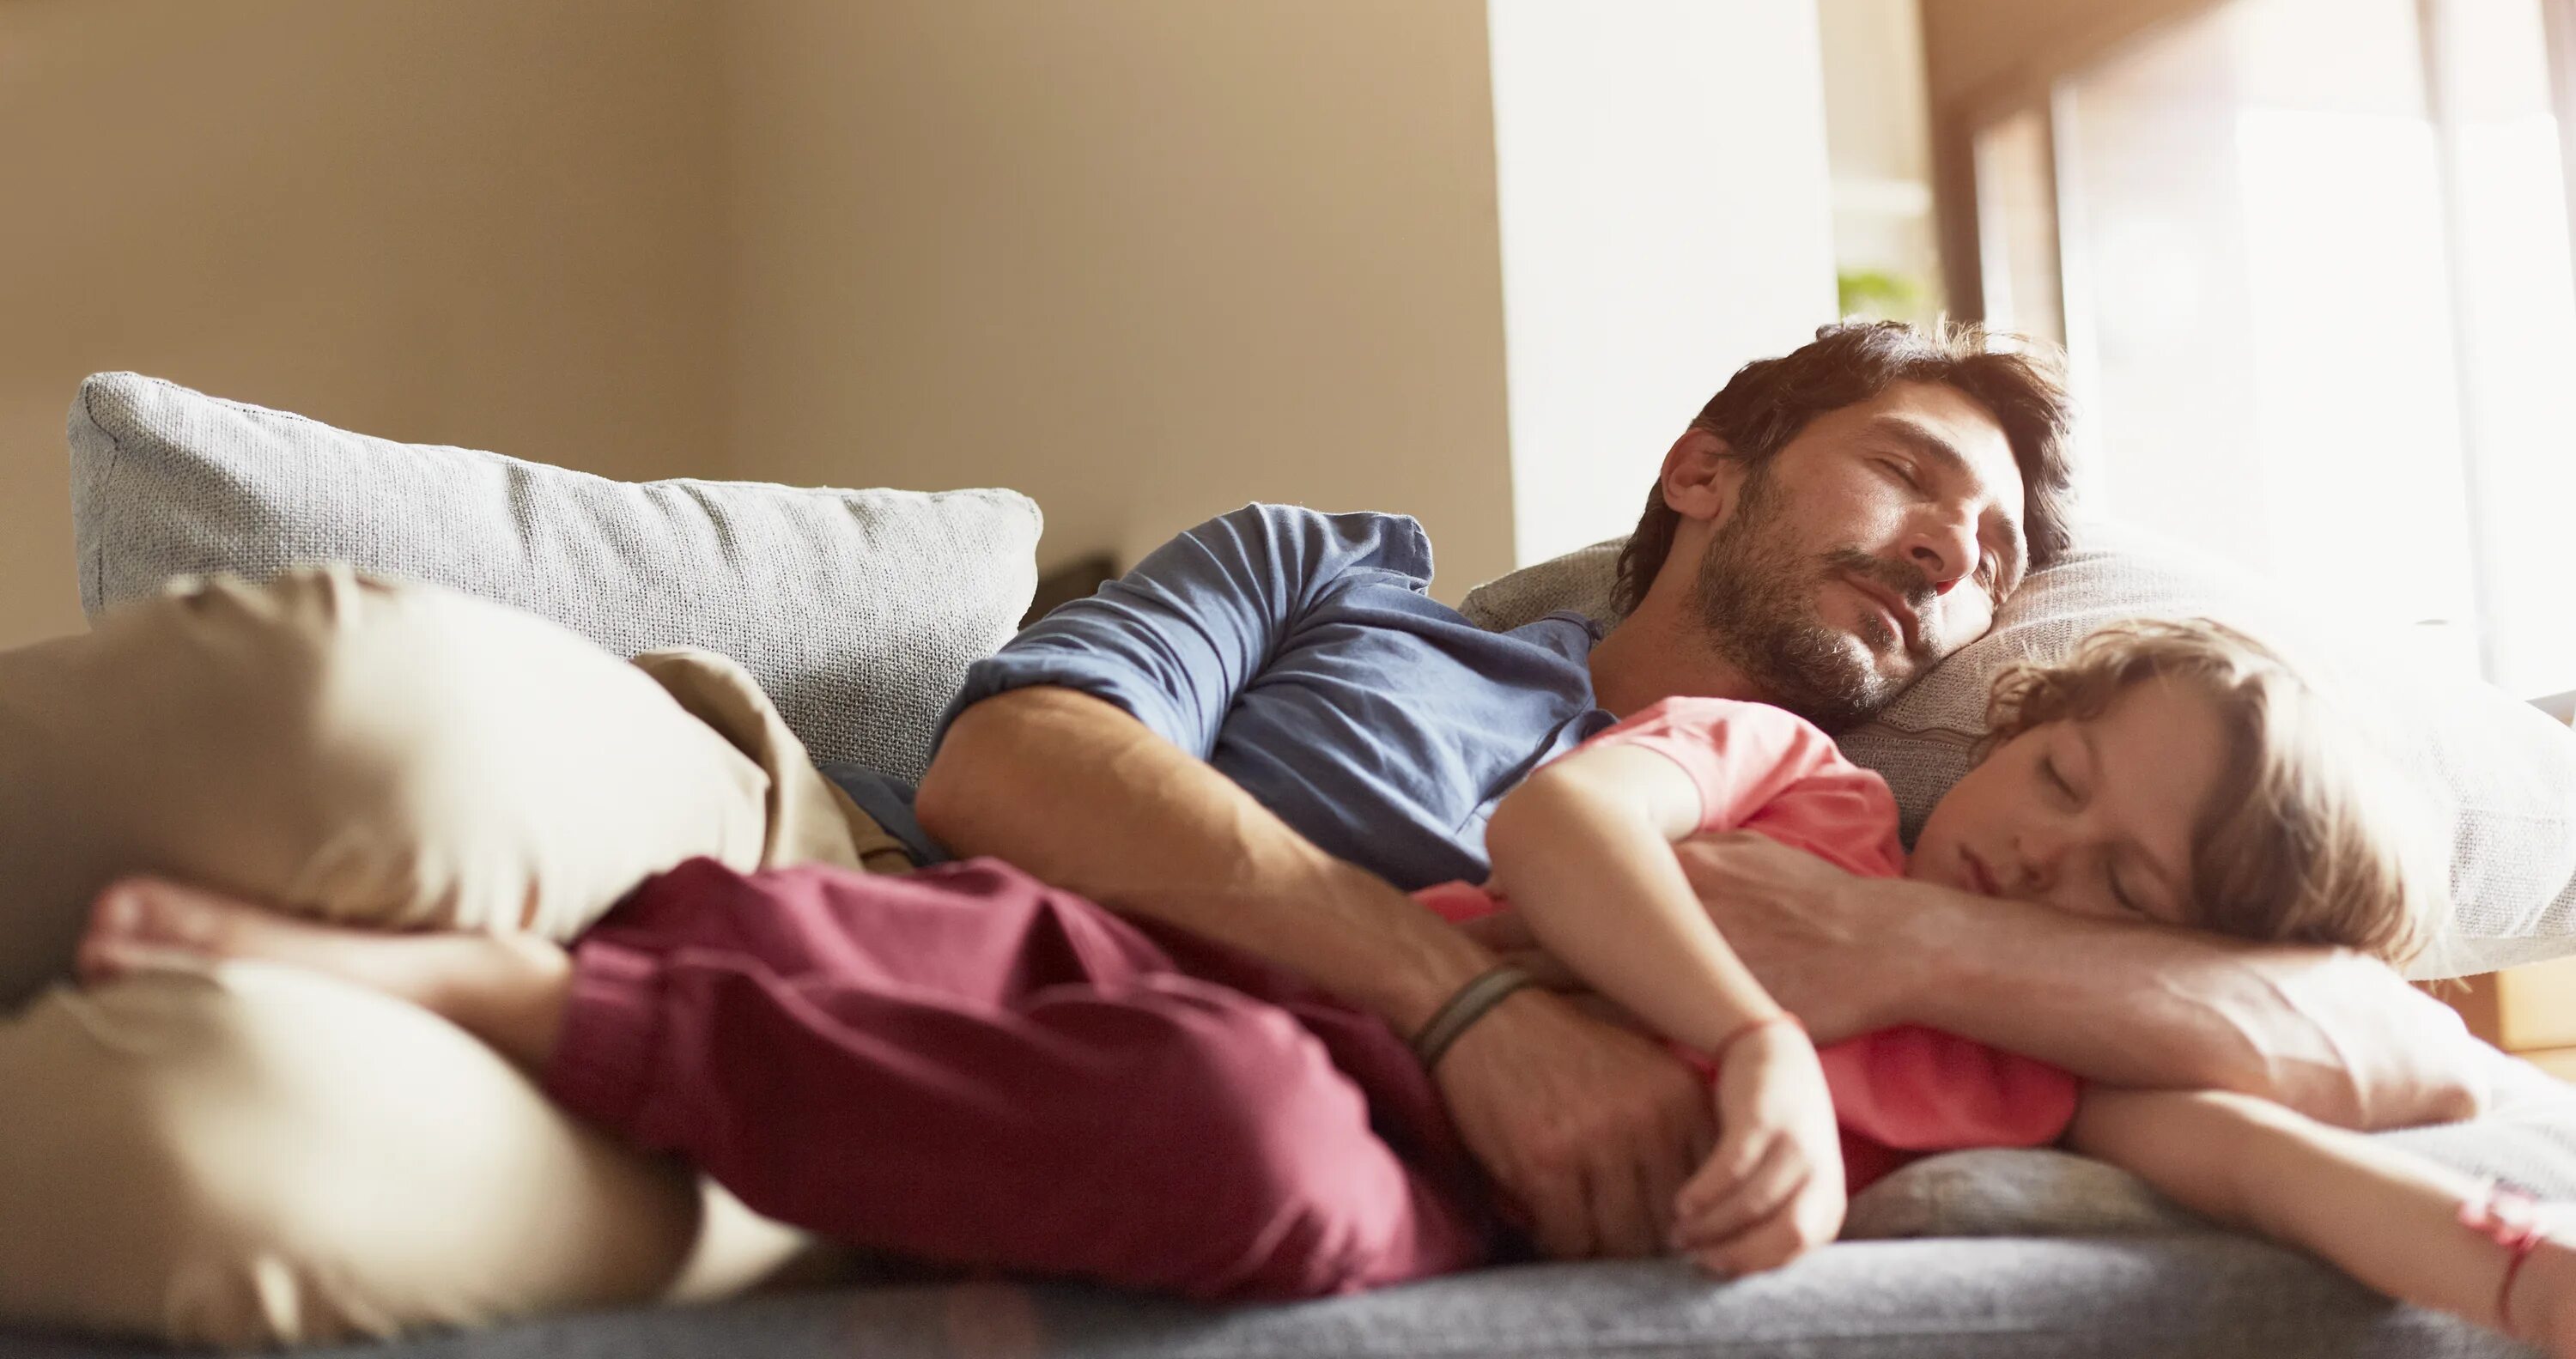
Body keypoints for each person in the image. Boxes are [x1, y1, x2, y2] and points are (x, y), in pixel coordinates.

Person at [69, 618, 2572, 1354]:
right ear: (2020, 723)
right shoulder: (1791, 775)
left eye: (2124, 879)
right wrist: (1753, 1034)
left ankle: (526, 1009)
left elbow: (2253, 1133)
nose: (2048, 851)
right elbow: (1562, 824)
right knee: (987, 959)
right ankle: (496, 987)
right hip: (1340, 990)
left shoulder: (2063, 1050)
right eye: (2063, 779)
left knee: (1235, 1164)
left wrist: (2489, 1267)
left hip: (1399, 1180)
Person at [911, 321, 2482, 1261]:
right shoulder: (1320, 577)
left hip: (1295, 1178)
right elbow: (1005, 763)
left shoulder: (1864, 860)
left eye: (1993, 559)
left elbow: (2390, 1038)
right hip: (1011, 998)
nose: (1952, 554)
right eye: (1913, 475)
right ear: (1704, 469)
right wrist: (1476, 1012)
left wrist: (1919, 955)